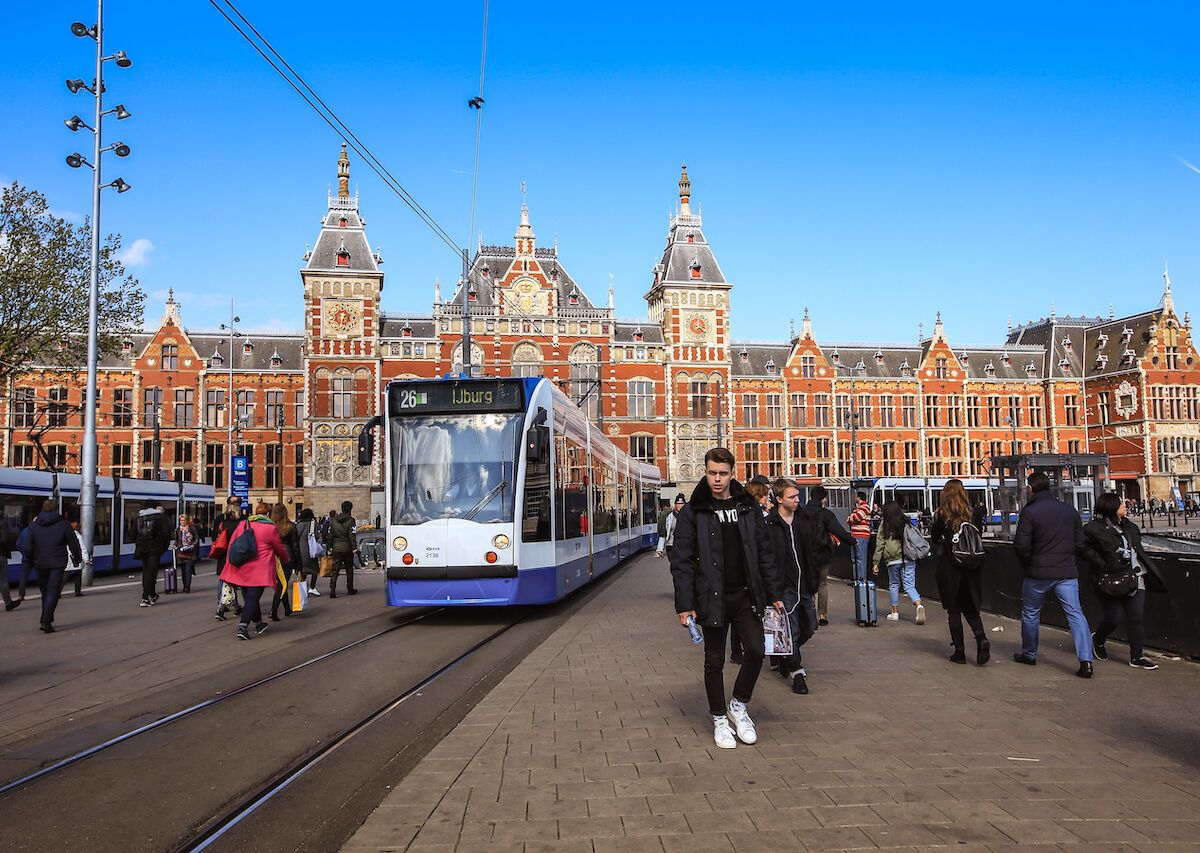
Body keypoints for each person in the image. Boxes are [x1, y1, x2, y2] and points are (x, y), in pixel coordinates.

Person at [670, 447, 784, 750]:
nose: (717, 479)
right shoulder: (694, 511)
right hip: (711, 595)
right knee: (714, 660)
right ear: (705, 472)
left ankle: (738, 704)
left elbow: (764, 553)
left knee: (757, 652)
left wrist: (773, 594)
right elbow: (681, 561)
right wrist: (684, 605)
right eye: (711, 473)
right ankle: (719, 718)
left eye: (722, 473)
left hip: (745, 595)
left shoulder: (747, 506)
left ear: (732, 473)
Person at [1012, 472, 1094, 678]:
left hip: (1037, 573)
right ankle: (1086, 660)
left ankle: (1029, 653)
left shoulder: (1029, 513)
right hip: (1066, 572)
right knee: (1075, 614)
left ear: (1031, 489)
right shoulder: (1070, 511)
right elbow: (1080, 544)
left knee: (1031, 612)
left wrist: (1028, 564)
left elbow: (1021, 546)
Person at [1081, 493, 1166, 670]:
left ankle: (1137, 656)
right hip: (1110, 578)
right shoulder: (1093, 529)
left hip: (1135, 576)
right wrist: (1101, 562)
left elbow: (1137, 549)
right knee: (1114, 618)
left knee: (1136, 618)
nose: (1125, 506)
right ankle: (1098, 639)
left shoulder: (1130, 527)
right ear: (1110, 507)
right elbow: (1082, 547)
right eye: (1121, 504)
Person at [765, 478, 817, 694]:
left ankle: (785, 654)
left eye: (797, 496)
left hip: (804, 583)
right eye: (792, 497)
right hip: (784, 586)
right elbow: (767, 560)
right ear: (779, 499)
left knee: (810, 627)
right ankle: (798, 674)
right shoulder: (769, 525)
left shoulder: (804, 519)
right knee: (792, 631)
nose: (797, 500)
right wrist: (772, 591)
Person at [930, 479, 989, 665]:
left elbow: (935, 538)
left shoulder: (942, 514)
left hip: (951, 566)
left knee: (954, 610)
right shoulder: (974, 513)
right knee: (970, 607)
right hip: (972, 566)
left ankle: (960, 652)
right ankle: (981, 638)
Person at [218, 501, 290, 640]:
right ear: (268, 514)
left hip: (242, 566)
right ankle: (243, 626)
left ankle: (258, 624)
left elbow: (233, 543)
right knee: (253, 597)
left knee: (250, 598)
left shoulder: (243, 524)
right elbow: (279, 548)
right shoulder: (270, 528)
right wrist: (286, 559)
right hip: (260, 569)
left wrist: (229, 564)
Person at [21, 500, 82, 633]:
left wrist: (31, 558)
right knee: (53, 591)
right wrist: (78, 559)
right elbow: (73, 543)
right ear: (56, 509)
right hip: (57, 562)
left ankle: (46, 617)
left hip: (40, 563)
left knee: (45, 592)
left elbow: (26, 545)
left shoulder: (34, 525)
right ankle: (46, 620)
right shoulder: (64, 524)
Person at [798, 485, 852, 626]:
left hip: (805, 555)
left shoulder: (801, 512)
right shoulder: (826, 514)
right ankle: (822, 615)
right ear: (823, 498)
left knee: (806, 584)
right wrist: (852, 541)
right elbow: (839, 530)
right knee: (822, 584)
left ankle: (808, 614)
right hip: (823, 553)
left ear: (810, 497)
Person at [871, 501, 926, 625]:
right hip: (908, 558)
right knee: (910, 586)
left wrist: (876, 562)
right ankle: (918, 605)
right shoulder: (906, 523)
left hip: (892, 560)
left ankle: (894, 612)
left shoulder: (884, 525)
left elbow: (880, 545)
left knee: (894, 585)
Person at [213, 496, 246, 620]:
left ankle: (224, 607)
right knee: (242, 582)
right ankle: (246, 607)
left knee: (225, 581)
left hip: (224, 555)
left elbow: (213, 537)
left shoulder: (222, 521)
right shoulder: (243, 521)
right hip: (238, 555)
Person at [134, 501, 170, 607]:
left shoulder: (140, 517)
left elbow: (132, 533)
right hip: (155, 549)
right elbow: (166, 533)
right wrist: (163, 547)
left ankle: (151, 595)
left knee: (146, 572)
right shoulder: (160, 517)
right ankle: (145, 597)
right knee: (152, 572)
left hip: (142, 549)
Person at [270, 504, 299, 621]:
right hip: (288, 557)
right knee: (282, 585)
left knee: (281, 584)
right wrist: (298, 565)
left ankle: (287, 608)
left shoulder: (271, 526)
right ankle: (274, 610)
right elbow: (295, 546)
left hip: (274, 557)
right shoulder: (291, 526)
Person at [327, 501, 357, 597]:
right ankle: (350, 588)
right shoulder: (351, 520)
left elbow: (331, 535)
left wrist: (330, 546)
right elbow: (352, 535)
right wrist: (354, 547)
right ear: (350, 509)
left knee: (335, 569)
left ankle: (332, 590)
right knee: (349, 569)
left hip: (336, 548)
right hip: (347, 548)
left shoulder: (334, 520)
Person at [847, 491, 872, 584]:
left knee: (860, 558)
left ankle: (861, 579)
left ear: (859, 498)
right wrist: (852, 518)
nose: (854, 498)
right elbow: (849, 521)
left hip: (861, 535)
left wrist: (851, 517)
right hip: (855, 535)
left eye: (855, 497)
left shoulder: (865, 508)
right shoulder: (858, 509)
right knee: (855, 559)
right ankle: (857, 579)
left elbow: (855, 518)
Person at [295, 508, 321, 595]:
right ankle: (312, 587)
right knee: (314, 569)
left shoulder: (298, 525)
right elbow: (316, 536)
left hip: (300, 550)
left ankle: (303, 587)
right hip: (310, 550)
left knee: (302, 569)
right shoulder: (312, 524)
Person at [174, 515, 199, 594]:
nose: (183, 522)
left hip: (190, 552)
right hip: (181, 552)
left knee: (188, 570)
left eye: (184, 520)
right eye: (181, 520)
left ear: (187, 520)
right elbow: (176, 540)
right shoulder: (178, 530)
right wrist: (175, 545)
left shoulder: (191, 528)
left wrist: (193, 545)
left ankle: (187, 587)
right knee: (183, 571)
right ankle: (185, 585)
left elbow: (196, 538)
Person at [656, 494, 685, 559]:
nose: (679, 505)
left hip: (683, 545)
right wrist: (660, 549)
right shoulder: (670, 516)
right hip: (671, 545)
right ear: (675, 504)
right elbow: (665, 531)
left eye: (681, 503)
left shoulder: (687, 516)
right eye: (678, 503)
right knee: (673, 565)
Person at [64, 510, 86, 597]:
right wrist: (86, 559)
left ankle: (77, 591)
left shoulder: (66, 533)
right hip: (74, 558)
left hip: (70, 558)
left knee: (72, 574)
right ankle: (77, 591)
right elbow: (82, 547)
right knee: (73, 574)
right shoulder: (77, 535)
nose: (77, 524)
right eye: (75, 522)